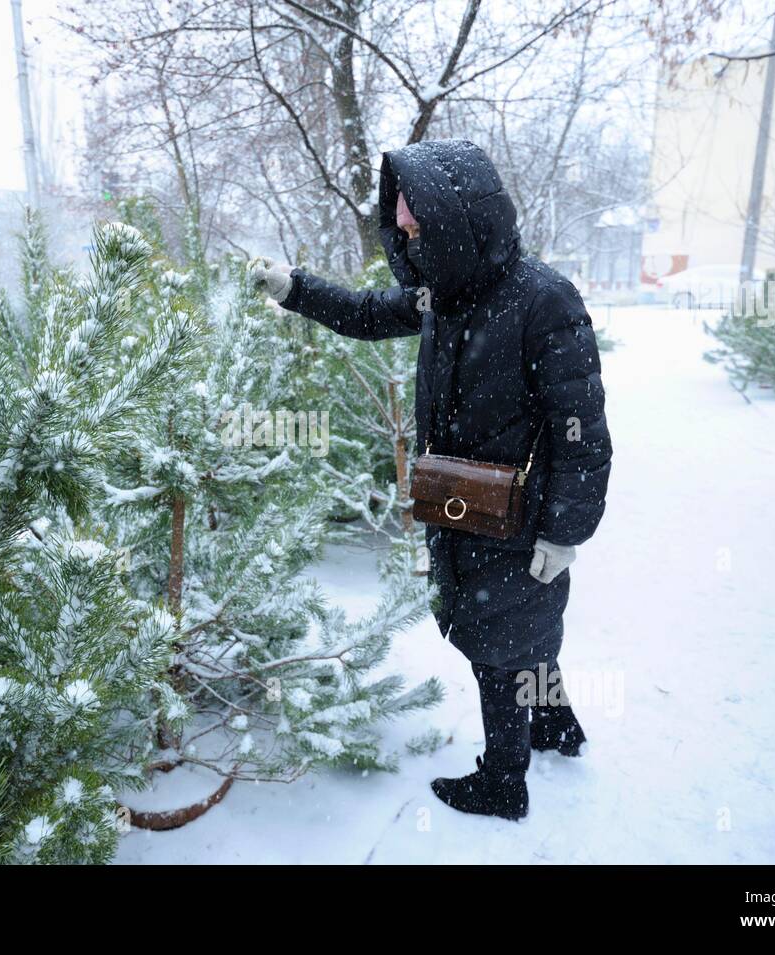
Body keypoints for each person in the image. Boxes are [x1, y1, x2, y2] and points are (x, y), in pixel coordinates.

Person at [249, 139, 612, 820]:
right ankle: (557, 725)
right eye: (405, 233)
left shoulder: (543, 302)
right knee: (515, 632)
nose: (410, 245)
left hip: (520, 516)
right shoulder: (439, 296)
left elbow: (582, 432)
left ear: (462, 222)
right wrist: (293, 287)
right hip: (460, 505)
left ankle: (504, 780)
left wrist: (566, 532)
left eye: (422, 231)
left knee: (500, 650)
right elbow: (361, 313)